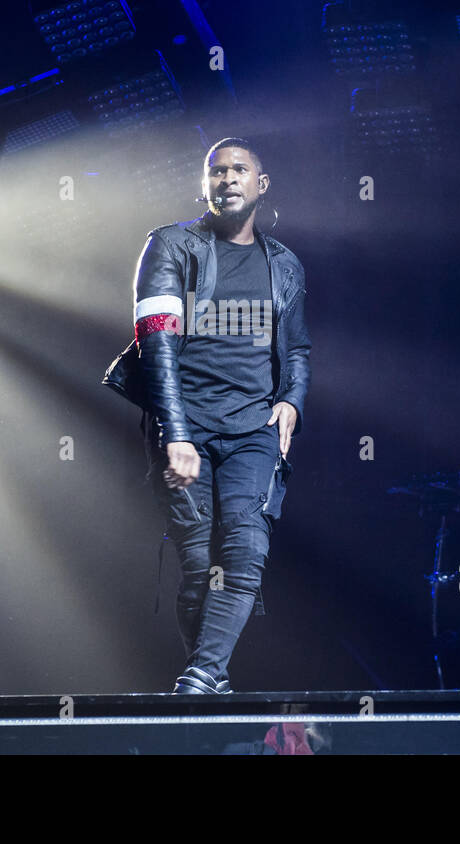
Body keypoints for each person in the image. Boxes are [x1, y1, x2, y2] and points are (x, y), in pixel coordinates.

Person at [103, 137, 311, 694]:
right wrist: (175, 433)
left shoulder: (284, 265)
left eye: (240, 170)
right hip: (185, 428)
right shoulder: (170, 246)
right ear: (204, 184)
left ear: (261, 185)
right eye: (216, 172)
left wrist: (291, 398)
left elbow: (296, 350)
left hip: (253, 433)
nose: (228, 179)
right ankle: (207, 686)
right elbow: (156, 344)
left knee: (244, 552)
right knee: (199, 570)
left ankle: (202, 677)